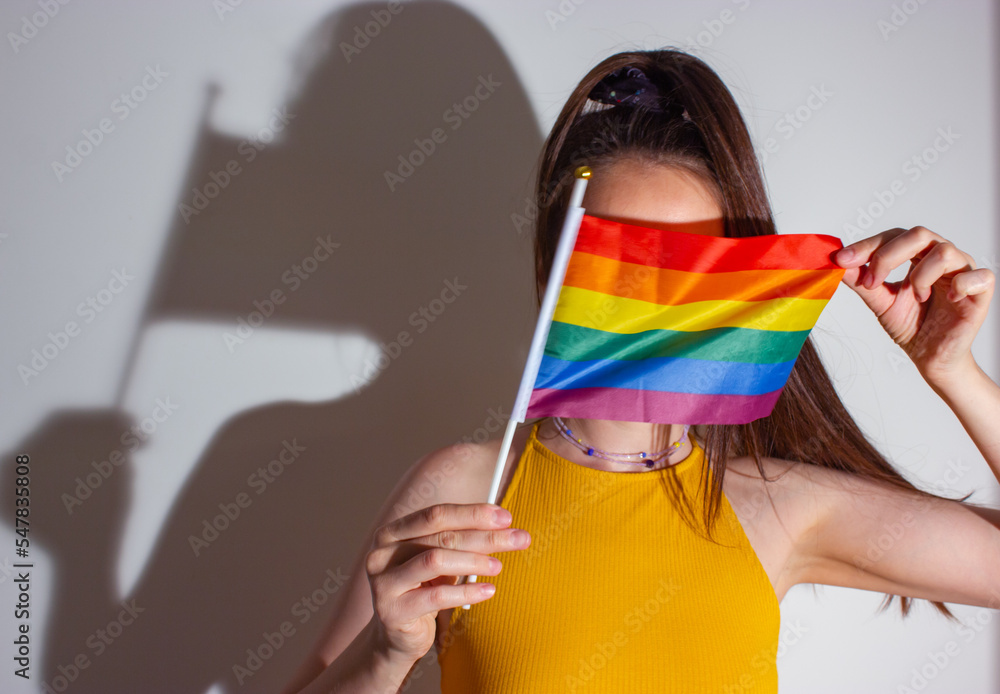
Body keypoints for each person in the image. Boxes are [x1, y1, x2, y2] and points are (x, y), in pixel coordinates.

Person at [280, 48, 1000, 694]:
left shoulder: (778, 509)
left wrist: (953, 372)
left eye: (687, 268)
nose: (649, 303)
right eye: (619, 261)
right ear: (551, 268)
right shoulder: (467, 493)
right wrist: (384, 654)